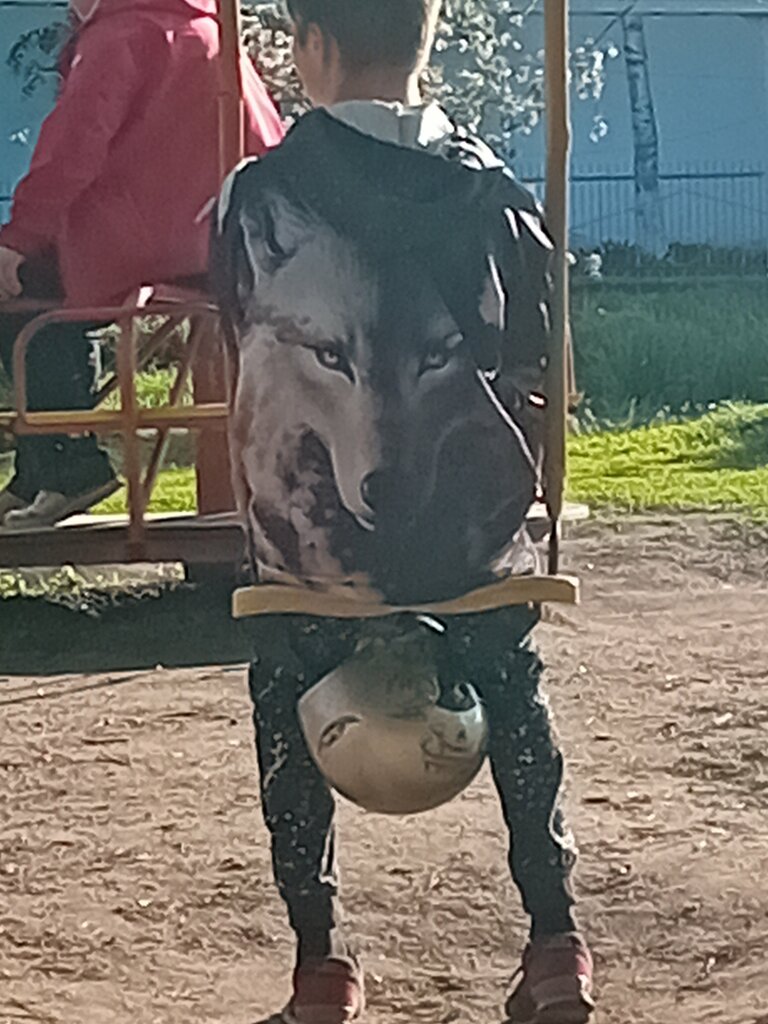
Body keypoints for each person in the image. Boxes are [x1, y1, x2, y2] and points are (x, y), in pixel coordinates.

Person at [212, 1, 595, 1022]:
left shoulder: (256, 200)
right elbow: (537, 362)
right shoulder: (501, 197)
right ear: (426, 43)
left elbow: (237, 327)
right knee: (511, 683)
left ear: (314, 50)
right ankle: (555, 940)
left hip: (311, 562)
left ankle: (320, 961)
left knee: (283, 691)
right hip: (471, 538)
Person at [0, 0, 284, 529]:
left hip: (142, 241)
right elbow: (269, 138)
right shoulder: (212, 35)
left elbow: (70, 150)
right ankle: (41, 466)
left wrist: (19, 238)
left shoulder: (120, 38)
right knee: (39, 295)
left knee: (22, 292)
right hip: (222, 240)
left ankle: (68, 461)